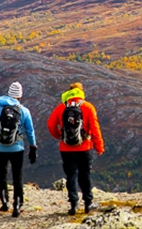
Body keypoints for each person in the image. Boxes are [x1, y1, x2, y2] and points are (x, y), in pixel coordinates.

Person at [48, 82, 105, 215]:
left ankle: (73, 205)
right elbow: (95, 128)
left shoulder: (61, 107)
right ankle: (88, 204)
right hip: (85, 147)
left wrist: (60, 136)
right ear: (81, 92)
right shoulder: (88, 107)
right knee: (85, 175)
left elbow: (51, 125)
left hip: (66, 148)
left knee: (71, 175)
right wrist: (99, 146)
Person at [0, 81, 37, 218]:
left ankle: (4, 202)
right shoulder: (24, 111)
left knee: (2, 175)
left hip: (1, 148)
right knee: (17, 176)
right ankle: (17, 205)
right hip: (17, 148)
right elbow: (30, 131)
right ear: (19, 96)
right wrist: (33, 147)